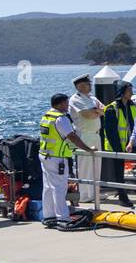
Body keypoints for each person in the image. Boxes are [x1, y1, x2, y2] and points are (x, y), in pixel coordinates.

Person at [38, 93, 95, 227]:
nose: (67, 106)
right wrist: (88, 149)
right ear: (59, 104)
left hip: (45, 155)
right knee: (60, 187)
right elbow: (72, 136)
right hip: (58, 158)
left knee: (48, 187)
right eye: (66, 103)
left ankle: (49, 215)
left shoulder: (46, 116)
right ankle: (63, 217)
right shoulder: (61, 119)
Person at [68, 72, 104, 203]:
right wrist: (95, 111)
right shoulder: (75, 99)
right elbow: (87, 114)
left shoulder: (93, 99)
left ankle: (94, 194)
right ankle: (83, 195)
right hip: (84, 135)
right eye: (87, 84)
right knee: (84, 166)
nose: (90, 86)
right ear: (79, 86)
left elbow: (103, 110)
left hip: (95, 134)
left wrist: (96, 111)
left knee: (96, 165)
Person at [100, 81, 136, 207]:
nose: (132, 92)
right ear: (122, 92)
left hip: (131, 145)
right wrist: (119, 150)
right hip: (116, 147)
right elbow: (111, 132)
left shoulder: (133, 106)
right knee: (118, 173)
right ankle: (122, 196)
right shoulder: (111, 108)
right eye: (129, 90)